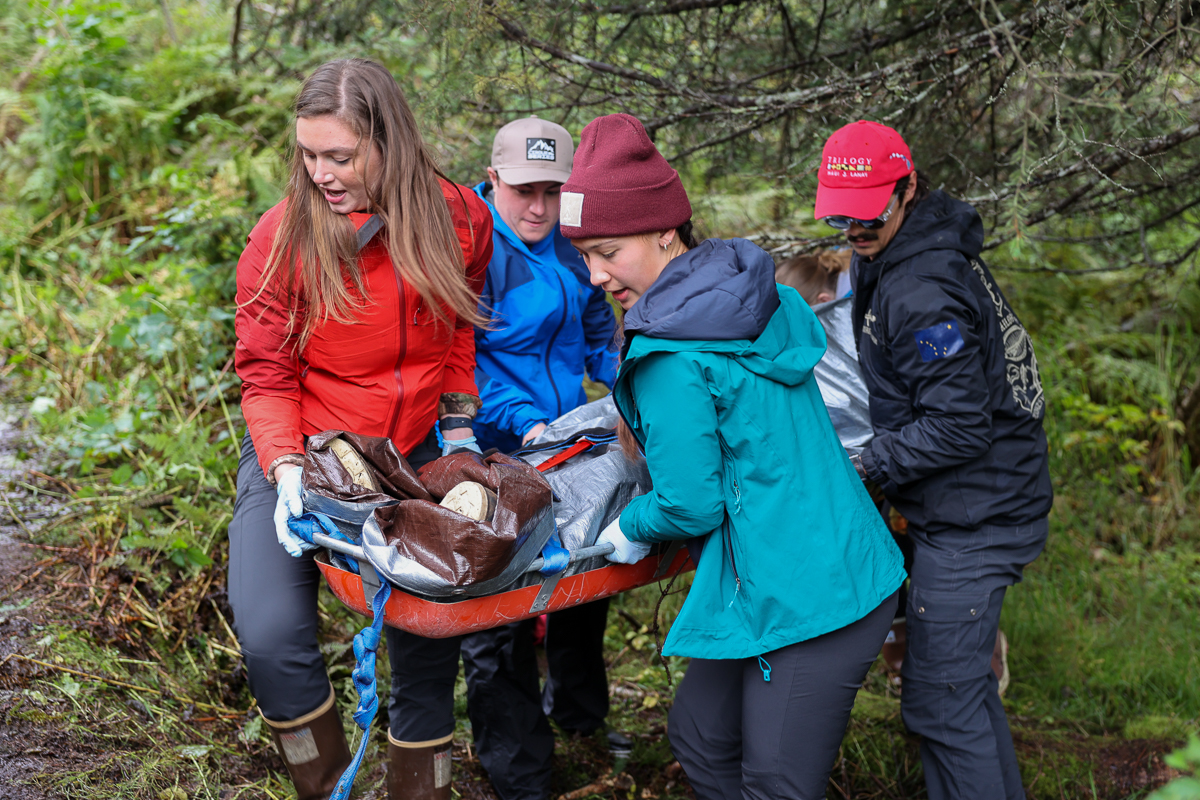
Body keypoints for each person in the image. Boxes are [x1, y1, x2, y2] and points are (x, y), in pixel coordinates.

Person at [563, 113, 907, 799]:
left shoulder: (671, 356)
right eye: (585, 256)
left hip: (814, 593)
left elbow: (692, 500)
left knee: (776, 780)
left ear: (664, 230)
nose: (596, 275)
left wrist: (628, 528)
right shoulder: (753, 295)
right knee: (701, 734)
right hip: (802, 560)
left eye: (607, 251)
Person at [228, 59, 495, 800]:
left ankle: (419, 787)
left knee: (426, 637)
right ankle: (323, 785)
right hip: (305, 451)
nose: (320, 173)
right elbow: (265, 372)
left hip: (406, 454)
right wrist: (284, 472)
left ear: (389, 144)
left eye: (339, 156)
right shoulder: (282, 239)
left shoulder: (461, 219)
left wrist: (460, 428)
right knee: (271, 632)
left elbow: (459, 331)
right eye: (308, 154)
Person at [814, 119, 1051, 800]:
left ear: (908, 186)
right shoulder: (897, 247)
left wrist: (866, 465)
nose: (854, 232)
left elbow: (957, 426)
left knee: (940, 706)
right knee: (961, 694)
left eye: (867, 217)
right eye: (839, 217)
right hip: (977, 500)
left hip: (979, 516)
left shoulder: (923, 288)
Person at [468, 117, 627, 759]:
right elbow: (461, 359)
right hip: (492, 452)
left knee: (584, 582)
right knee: (502, 606)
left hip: (565, 444)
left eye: (552, 191)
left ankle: (582, 724)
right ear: (493, 179)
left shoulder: (568, 243)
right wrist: (526, 421)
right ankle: (517, 768)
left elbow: (598, 331)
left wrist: (637, 382)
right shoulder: (472, 249)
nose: (538, 206)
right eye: (524, 190)